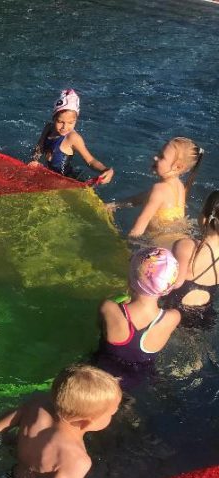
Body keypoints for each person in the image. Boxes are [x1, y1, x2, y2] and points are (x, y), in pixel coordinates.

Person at [0, 365, 122, 478]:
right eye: (111, 414)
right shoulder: (77, 460)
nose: (113, 416)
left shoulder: (36, 405)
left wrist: (10, 443)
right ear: (87, 422)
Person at [94, 247, 180, 387]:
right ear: (168, 287)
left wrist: (120, 303)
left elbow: (99, 326)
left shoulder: (109, 307)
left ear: (130, 279)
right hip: (138, 379)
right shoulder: (173, 317)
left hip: (100, 375)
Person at [115, 137, 204, 239]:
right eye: (158, 153)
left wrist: (127, 244)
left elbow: (142, 221)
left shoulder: (159, 189)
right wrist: (113, 206)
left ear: (178, 167)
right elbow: (139, 199)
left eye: (162, 157)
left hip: (160, 244)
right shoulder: (179, 186)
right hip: (179, 238)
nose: (155, 158)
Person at [28, 89, 113, 184]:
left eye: (70, 123)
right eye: (60, 122)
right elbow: (39, 147)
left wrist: (106, 170)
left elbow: (90, 160)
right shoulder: (48, 128)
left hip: (68, 181)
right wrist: (34, 160)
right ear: (54, 118)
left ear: (76, 120)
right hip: (51, 177)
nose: (65, 127)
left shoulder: (73, 138)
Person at [162, 190, 219, 329]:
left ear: (205, 219)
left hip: (177, 312)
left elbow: (174, 284)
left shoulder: (187, 245)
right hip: (206, 314)